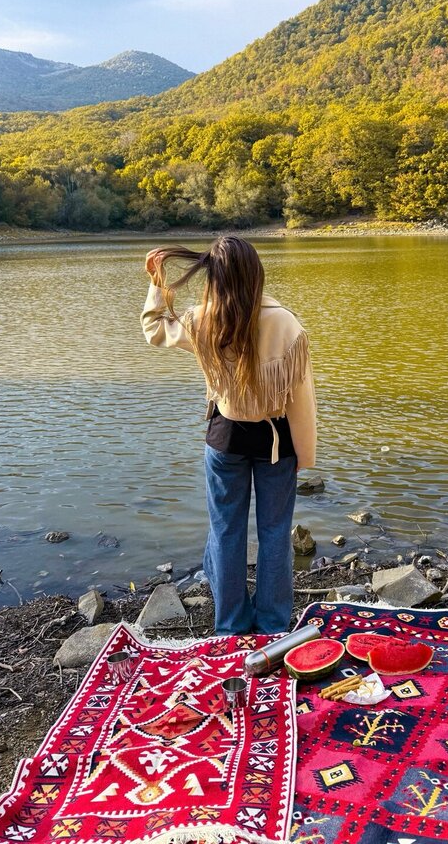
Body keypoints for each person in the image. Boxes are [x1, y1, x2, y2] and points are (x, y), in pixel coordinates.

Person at [140, 235, 317, 635]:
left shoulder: (202, 318)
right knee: (274, 534)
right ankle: (272, 625)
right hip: (276, 443)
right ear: (257, 273)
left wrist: (157, 281)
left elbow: (154, 329)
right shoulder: (287, 323)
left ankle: (231, 626)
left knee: (225, 530)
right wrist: (305, 455)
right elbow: (302, 400)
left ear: (213, 275)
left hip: (225, 438)